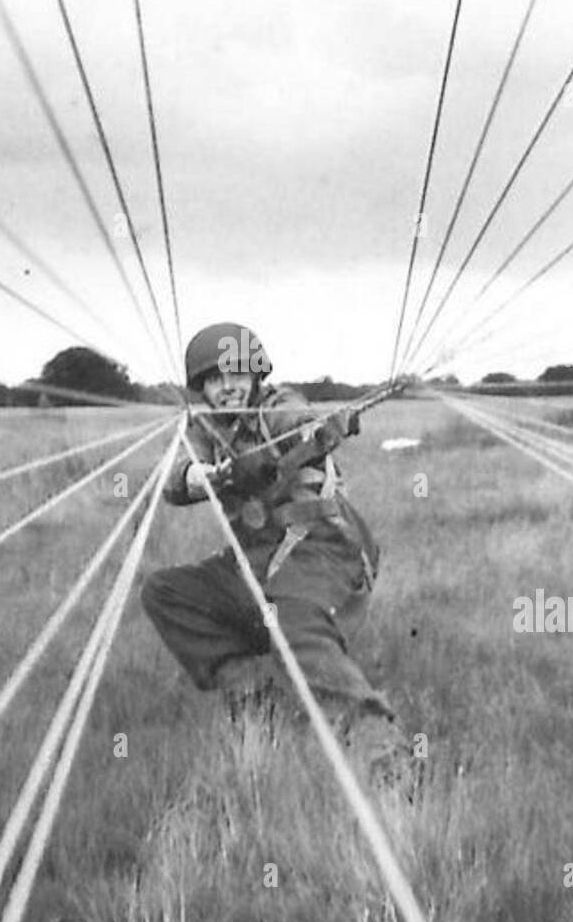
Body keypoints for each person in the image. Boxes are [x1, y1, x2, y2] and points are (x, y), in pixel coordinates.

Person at [140, 322, 415, 792]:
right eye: (213, 379)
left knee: (292, 622)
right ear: (202, 388)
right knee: (166, 593)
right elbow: (175, 479)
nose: (226, 387)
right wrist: (206, 475)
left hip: (324, 548)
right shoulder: (202, 429)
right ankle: (256, 695)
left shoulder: (277, 406)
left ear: (255, 377)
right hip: (258, 561)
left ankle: (384, 755)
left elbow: (299, 422)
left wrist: (306, 437)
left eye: (236, 375)